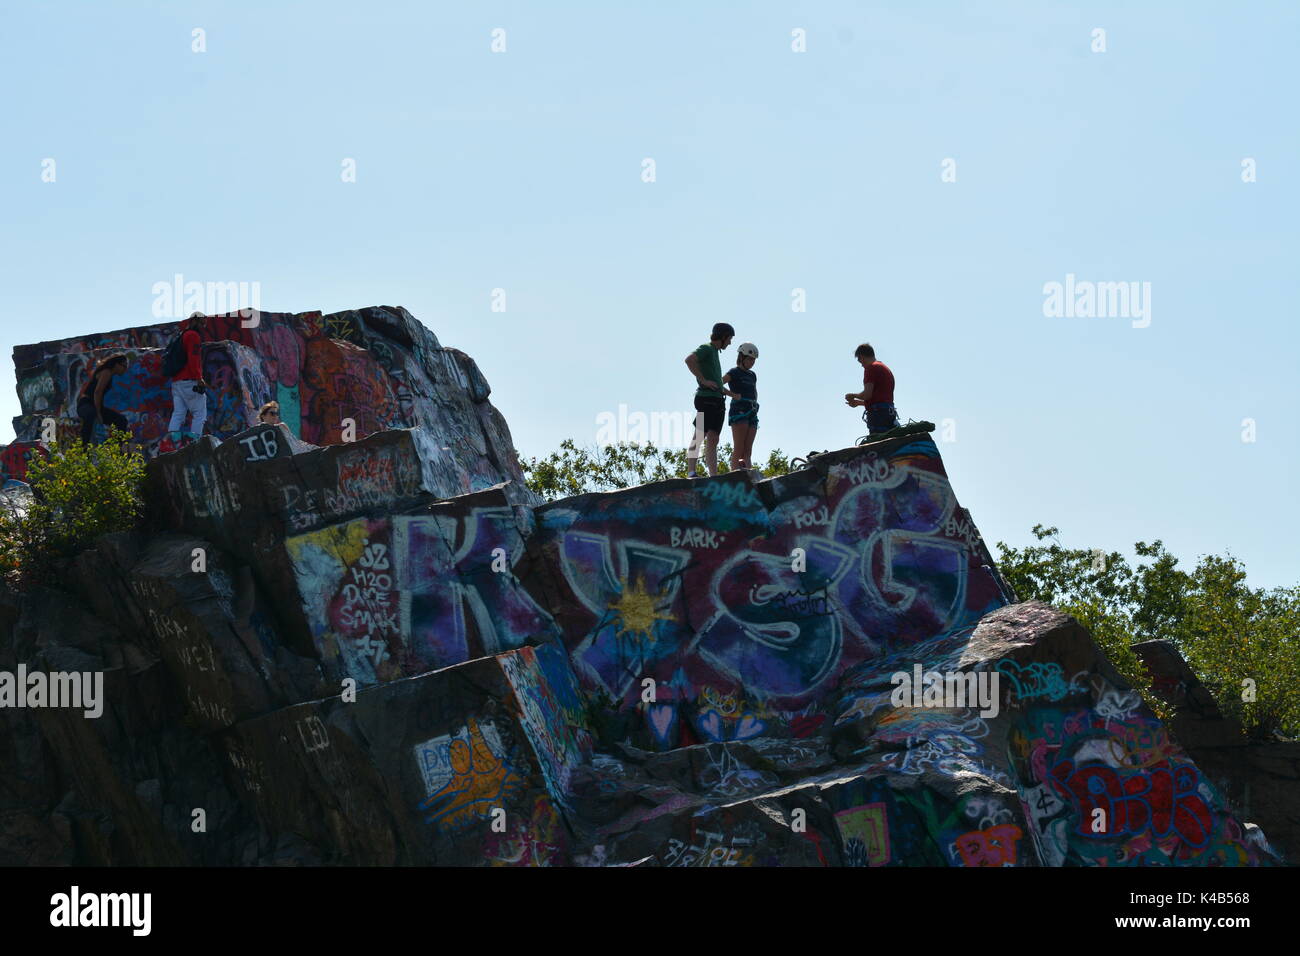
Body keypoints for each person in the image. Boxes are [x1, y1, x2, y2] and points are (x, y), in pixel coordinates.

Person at [684, 322, 734, 478]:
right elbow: (689, 359)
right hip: (705, 399)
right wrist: (703, 380)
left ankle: (713, 475)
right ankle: (691, 471)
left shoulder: (715, 352)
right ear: (723, 336)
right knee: (699, 434)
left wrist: (734, 395)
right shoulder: (706, 348)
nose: (730, 342)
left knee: (714, 438)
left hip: (717, 401)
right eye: (729, 338)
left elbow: (718, 383)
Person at [845, 343, 900, 435]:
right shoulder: (884, 368)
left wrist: (852, 395)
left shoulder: (871, 368)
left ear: (862, 357)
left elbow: (867, 395)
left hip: (878, 416)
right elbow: (881, 400)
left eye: (860, 361)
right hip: (889, 414)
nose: (861, 365)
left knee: (878, 445)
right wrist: (859, 403)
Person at [77, 354, 131, 444]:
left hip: (93, 405)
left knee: (121, 420)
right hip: (85, 404)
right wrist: (99, 413)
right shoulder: (107, 372)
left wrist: (99, 411)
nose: (125, 369)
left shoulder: (109, 373)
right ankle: (84, 447)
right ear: (116, 365)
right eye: (124, 366)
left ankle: (118, 450)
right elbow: (98, 392)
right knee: (91, 414)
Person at [167, 318, 208, 437]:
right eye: (202, 323)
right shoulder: (193, 336)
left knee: (178, 413)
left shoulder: (181, 336)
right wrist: (199, 378)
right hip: (190, 381)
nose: (203, 326)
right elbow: (193, 358)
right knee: (199, 414)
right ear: (195, 322)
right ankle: (196, 442)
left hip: (176, 382)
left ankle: (171, 441)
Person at [725, 343, 759, 470]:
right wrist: (733, 395)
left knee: (748, 450)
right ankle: (734, 474)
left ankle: (749, 475)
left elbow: (754, 390)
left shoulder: (752, 375)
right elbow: (719, 383)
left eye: (754, 360)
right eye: (750, 359)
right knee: (739, 447)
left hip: (752, 410)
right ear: (741, 357)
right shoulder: (734, 372)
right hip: (739, 410)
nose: (752, 362)